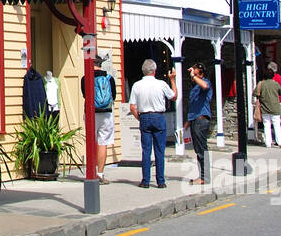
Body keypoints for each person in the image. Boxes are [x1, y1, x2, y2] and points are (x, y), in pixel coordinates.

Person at [129, 60, 175, 188]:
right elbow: (174, 96)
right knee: (159, 150)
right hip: (158, 116)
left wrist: (140, 118)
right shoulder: (161, 84)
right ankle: (161, 181)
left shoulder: (137, 85)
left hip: (144, 116)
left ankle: (145, 180)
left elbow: (132, 107)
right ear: (154, 71)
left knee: (146, 150)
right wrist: (173, 80)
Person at [81, 53, 118, 183]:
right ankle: (100, 174)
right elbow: (113, 96)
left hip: (91, 112)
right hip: (106, 113)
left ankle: (90, 172)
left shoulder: (86, 78)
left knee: (91, 141)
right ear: (100, 64)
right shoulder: (109, 78)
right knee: (103, 142)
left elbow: (85, 95)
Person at [185, 62, 213, 185]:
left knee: (202, 149)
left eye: (195, 73)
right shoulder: (195, 86)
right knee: (198, 149)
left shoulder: (205, 82)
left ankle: (204, 177)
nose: (193, 76)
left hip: (201, 120)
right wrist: (187, 122)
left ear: (201, 74)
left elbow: (205, 86)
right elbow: (193, 106)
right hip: (195, 119)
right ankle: (202, 176)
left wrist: (195, 76)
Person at [253, 69, 281, 149]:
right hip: (275, 108)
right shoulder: (276, 84)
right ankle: (280, 143)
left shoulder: (261, 84)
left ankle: (268, 143)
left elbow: (254, 93)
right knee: (277, 125)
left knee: (266, 126)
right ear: (273, 75)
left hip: (265, 108)